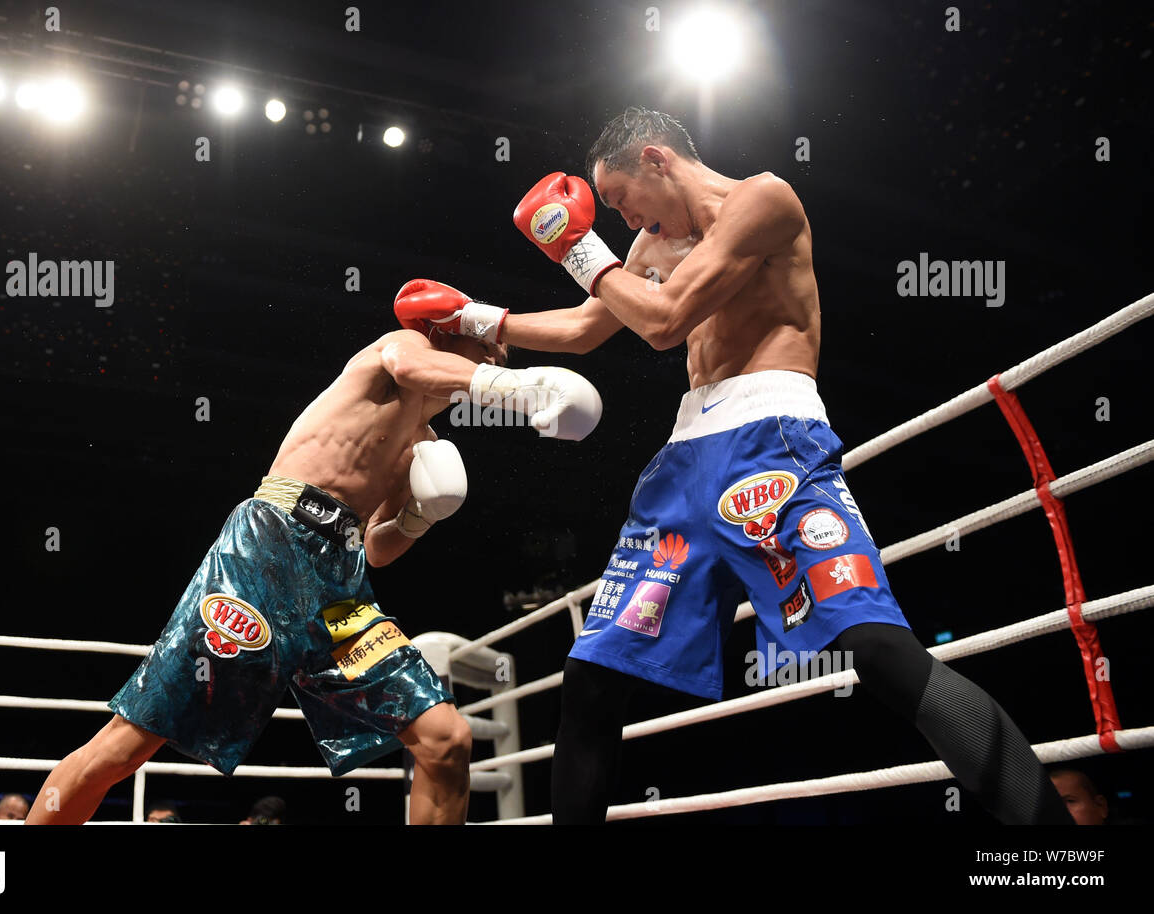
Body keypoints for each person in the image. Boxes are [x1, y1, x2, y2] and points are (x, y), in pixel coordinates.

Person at [395, 106, 1072, 825]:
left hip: (774, 443)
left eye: (624, 199)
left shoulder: (764, 200)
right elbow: (589, 326)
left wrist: (577, 249)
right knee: (591, 680)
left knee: (878, 651)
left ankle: (1057, 855)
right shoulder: (653, 248)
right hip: (683, 465)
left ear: (657, 159)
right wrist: (470, 317)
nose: (628, 221)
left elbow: (662, 322)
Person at [26, 322, 602, 826]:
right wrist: (519, 387)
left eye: (502, 357)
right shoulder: (399, 351)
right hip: (269, 543)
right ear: (447, 335)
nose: (497, 359)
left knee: (446, 740)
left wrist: (419, 518)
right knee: (132, 742)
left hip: (341, 585)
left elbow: (377, 549)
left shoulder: (425, 447)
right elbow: (410, 363)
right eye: (488, 349)